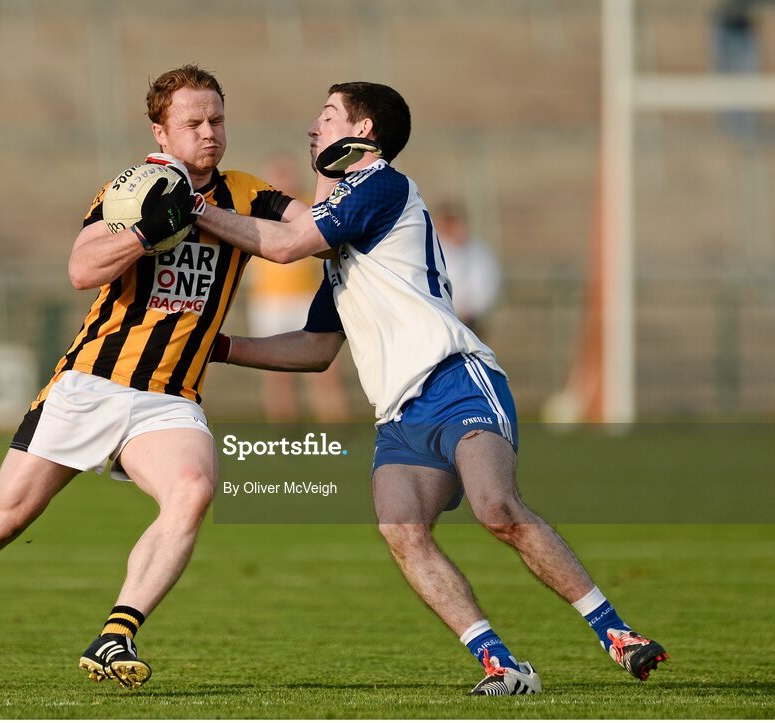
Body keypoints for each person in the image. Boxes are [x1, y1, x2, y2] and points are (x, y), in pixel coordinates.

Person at [0, 65, 304, 692]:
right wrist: (144, 233)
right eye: (192, 123)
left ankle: (117, 634)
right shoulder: (134, 188)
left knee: (192, 489)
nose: (209, 133)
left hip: (169, 398)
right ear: (160, 132)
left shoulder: (246, 193)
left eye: (216, 119)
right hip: (92, 382)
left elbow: (308, 233)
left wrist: (209, 215)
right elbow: (82, 268)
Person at [197, 82, 668, 695]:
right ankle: (503, 665)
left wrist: (195, 210)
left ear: (363, 132)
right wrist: (220, 347)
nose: (314, 126)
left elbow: (285, 244)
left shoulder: (381, 184)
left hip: (456, 381)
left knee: (496, 508)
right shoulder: (346, 251)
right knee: (402, 531)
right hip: (399, 414)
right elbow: (314, 350)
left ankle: (616, 633)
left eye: (328, 115)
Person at [246, 152, 350, 422]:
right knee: (276, 372)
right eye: (277, 174)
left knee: (326, 369)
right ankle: (284, 426)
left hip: (305, 297)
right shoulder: (258, 209)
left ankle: (334, 423)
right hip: (269, 301)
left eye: (286, 173)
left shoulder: (307, 207)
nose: (283, 179)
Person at [432, 201, 501, 338]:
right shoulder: (430, 249)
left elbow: (486, 285)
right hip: (436, 319)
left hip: (467, 322)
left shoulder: (477, 251)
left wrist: (470, 308)